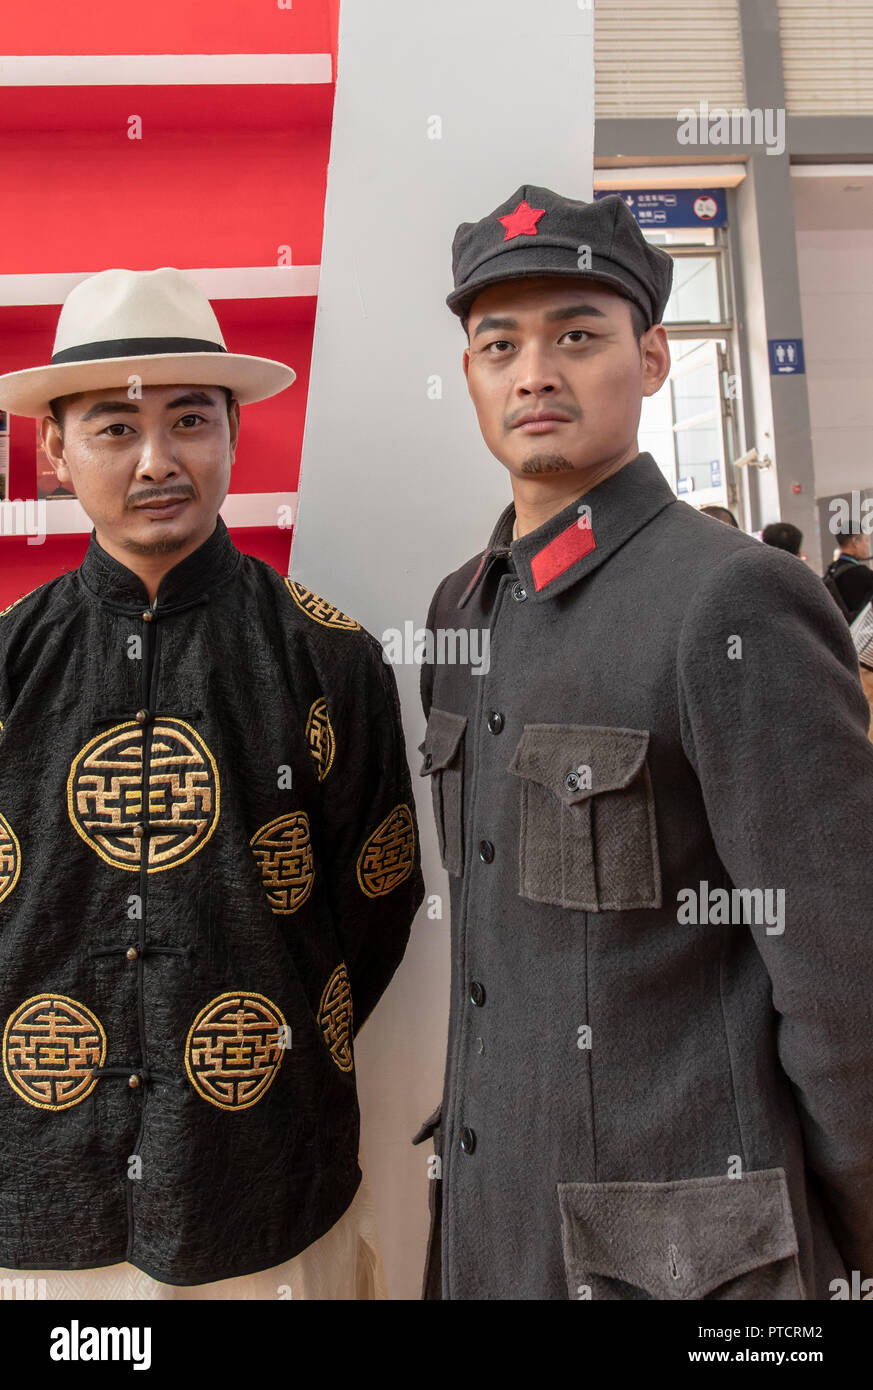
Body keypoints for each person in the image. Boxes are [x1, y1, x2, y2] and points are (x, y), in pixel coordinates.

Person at [413, 185, 873, 1301]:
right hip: (493, 1223)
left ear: (654, 356)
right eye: (499, 344)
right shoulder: (461, 611)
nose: (535, 372)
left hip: (692, 1258)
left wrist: (847, 1230)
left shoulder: (732, 599)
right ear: (469, 375)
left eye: (579, 333)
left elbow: (841, 974)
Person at [0, 267, 424, 1297]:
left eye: (191, 420)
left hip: (265, 1180)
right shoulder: (11, 663)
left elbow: (375, 902)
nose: (159, 460)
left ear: (235, 434)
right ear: (54, 451)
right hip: (37, 1188)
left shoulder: (331, 659)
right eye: (113, 428)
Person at [824, 529, 873, 623]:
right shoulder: (863, 574)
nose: (867, 545)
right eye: (866, 541)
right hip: (859, 633)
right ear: (855, 542)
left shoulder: (830, 571)